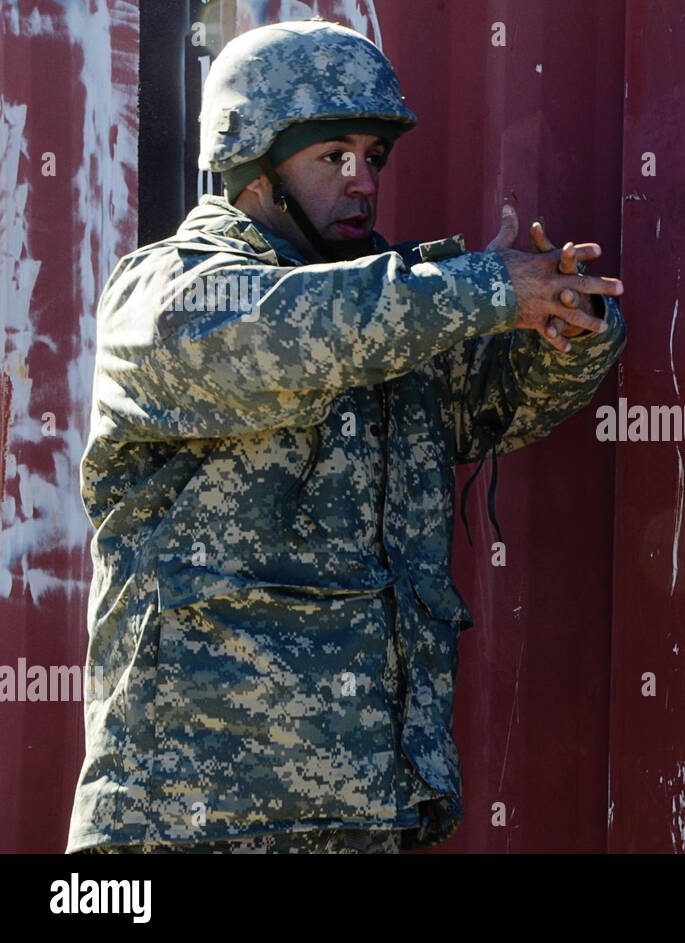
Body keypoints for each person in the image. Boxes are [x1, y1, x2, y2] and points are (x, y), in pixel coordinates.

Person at [67, 19, 626, 854]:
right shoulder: (169, 295)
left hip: (368, 813)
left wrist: (570, 323)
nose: (364, 180)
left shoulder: (397, 315)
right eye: (333, 156)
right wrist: (480, 288)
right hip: (186, 822)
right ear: (254, 164)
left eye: (374, 156)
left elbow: (494, 404)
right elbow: (292, 331)